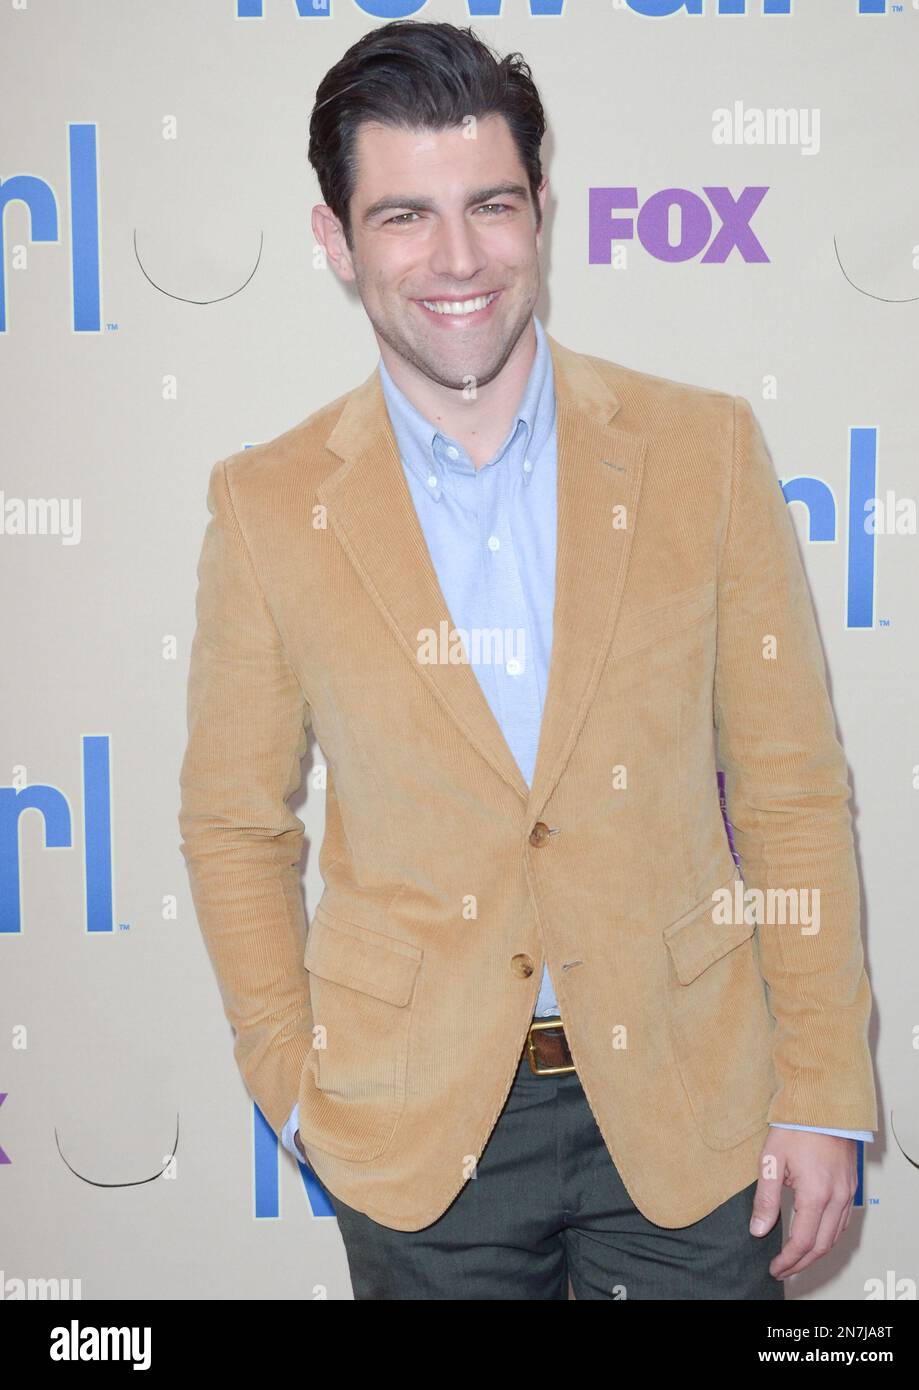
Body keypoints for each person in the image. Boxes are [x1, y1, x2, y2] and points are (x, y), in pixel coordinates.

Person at [178, 20, 877, 1300]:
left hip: (692, 1108)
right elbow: (232, 822)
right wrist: (291, 1079)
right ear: (336, 240)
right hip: (413, 1131)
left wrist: (826, 1086)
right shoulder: (268, 505)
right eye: (402, 216)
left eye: (490, 204)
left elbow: (787, 791)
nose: (457, 259)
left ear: (541, 209)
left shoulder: (702, 450)